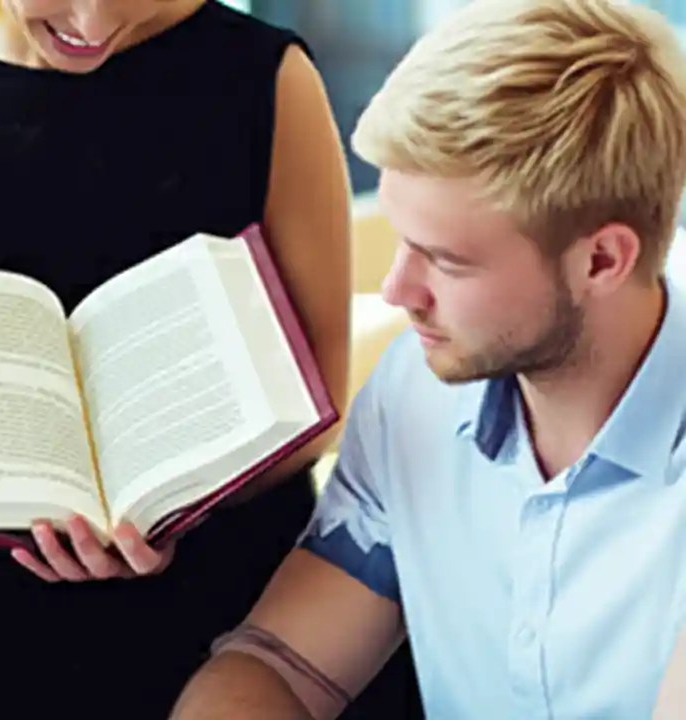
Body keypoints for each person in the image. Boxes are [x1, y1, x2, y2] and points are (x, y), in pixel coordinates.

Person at [0, 0, 422, 717]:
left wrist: (164, 511)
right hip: (17, 626)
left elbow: (320, 400)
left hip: (259, 614)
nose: (91, 23)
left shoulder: (268, 77)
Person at [170, 0, 686, 717]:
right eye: (401, 238)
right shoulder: (415, 390)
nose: (396, 289)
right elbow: (279, 662)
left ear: (601, 260)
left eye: (446, 260)